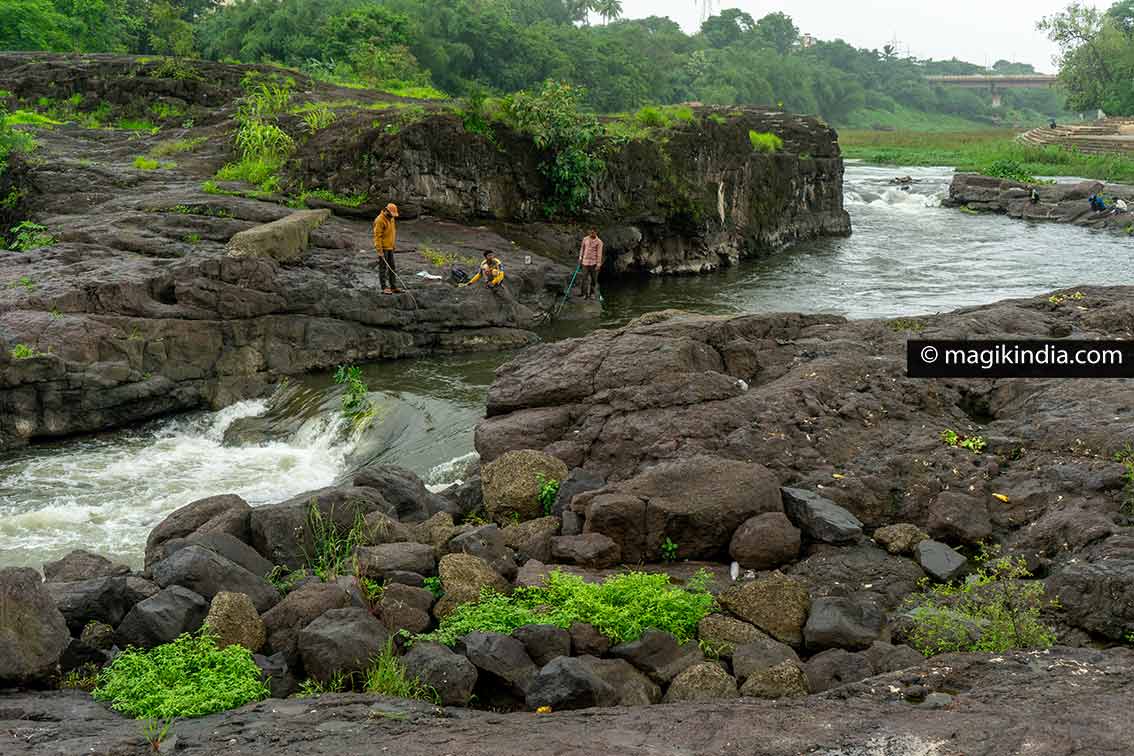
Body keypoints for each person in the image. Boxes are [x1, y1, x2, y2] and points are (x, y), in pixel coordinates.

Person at [372, 202, 400, 294]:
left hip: (390, 247)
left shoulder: (391, 219)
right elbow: (377, 237)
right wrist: (379, 251)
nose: (393, 216)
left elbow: (392, 232)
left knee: (392, 267)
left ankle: (393, 286)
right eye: (391, 214)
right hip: (383, 248)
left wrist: (393, 245)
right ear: (386, 211)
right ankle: (384, 287)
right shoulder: (380, 220)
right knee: (383, 268)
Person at [578, 228, 603, 300]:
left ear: (596, 232)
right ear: (589, 232)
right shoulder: (585, 239)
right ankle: (583, 293)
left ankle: (592, 293)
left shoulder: (599, 242)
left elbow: (599, 254)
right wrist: (580, 258)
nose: (592, 233)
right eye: (591, 232)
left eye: (594, 232)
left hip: (594, 263)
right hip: (585, 262)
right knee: (584, 278)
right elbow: (582, 249)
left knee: (594, 279)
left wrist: (598, 264)